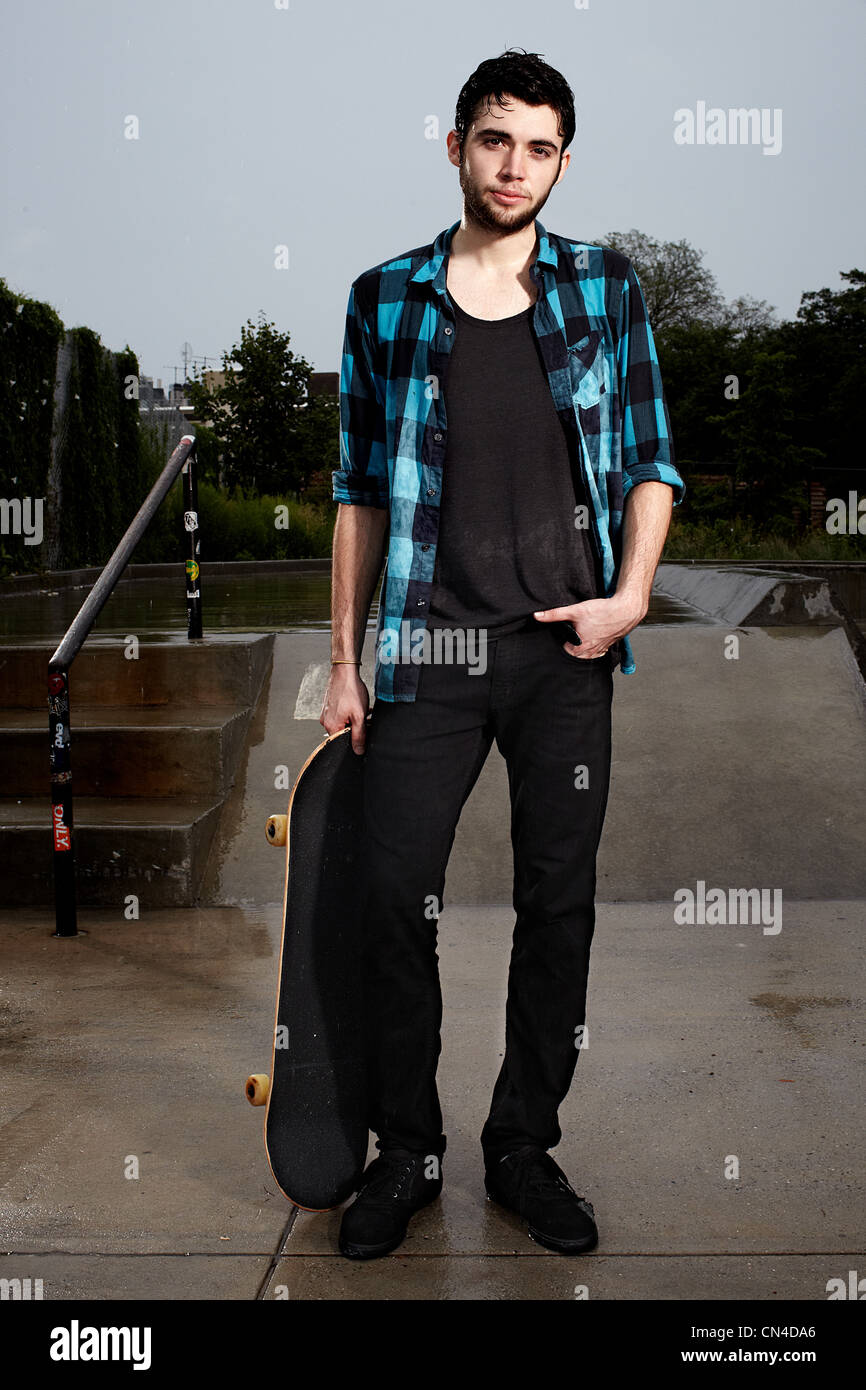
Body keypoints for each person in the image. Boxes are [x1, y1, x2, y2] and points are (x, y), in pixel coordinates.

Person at [320, 48, 684, 1261]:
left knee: (556, 908)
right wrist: (343, 658)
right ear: (455, 147)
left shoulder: (606, 289)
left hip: (559, 651)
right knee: (387, 900)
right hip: (423, 646)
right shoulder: (385, 299)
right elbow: (359, 494)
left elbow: (648, 460)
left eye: (537, 146)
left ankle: (521, 1145)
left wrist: (628, 597)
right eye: (493, 139)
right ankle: (405, 1149)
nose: (513, 165)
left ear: (561, 162)